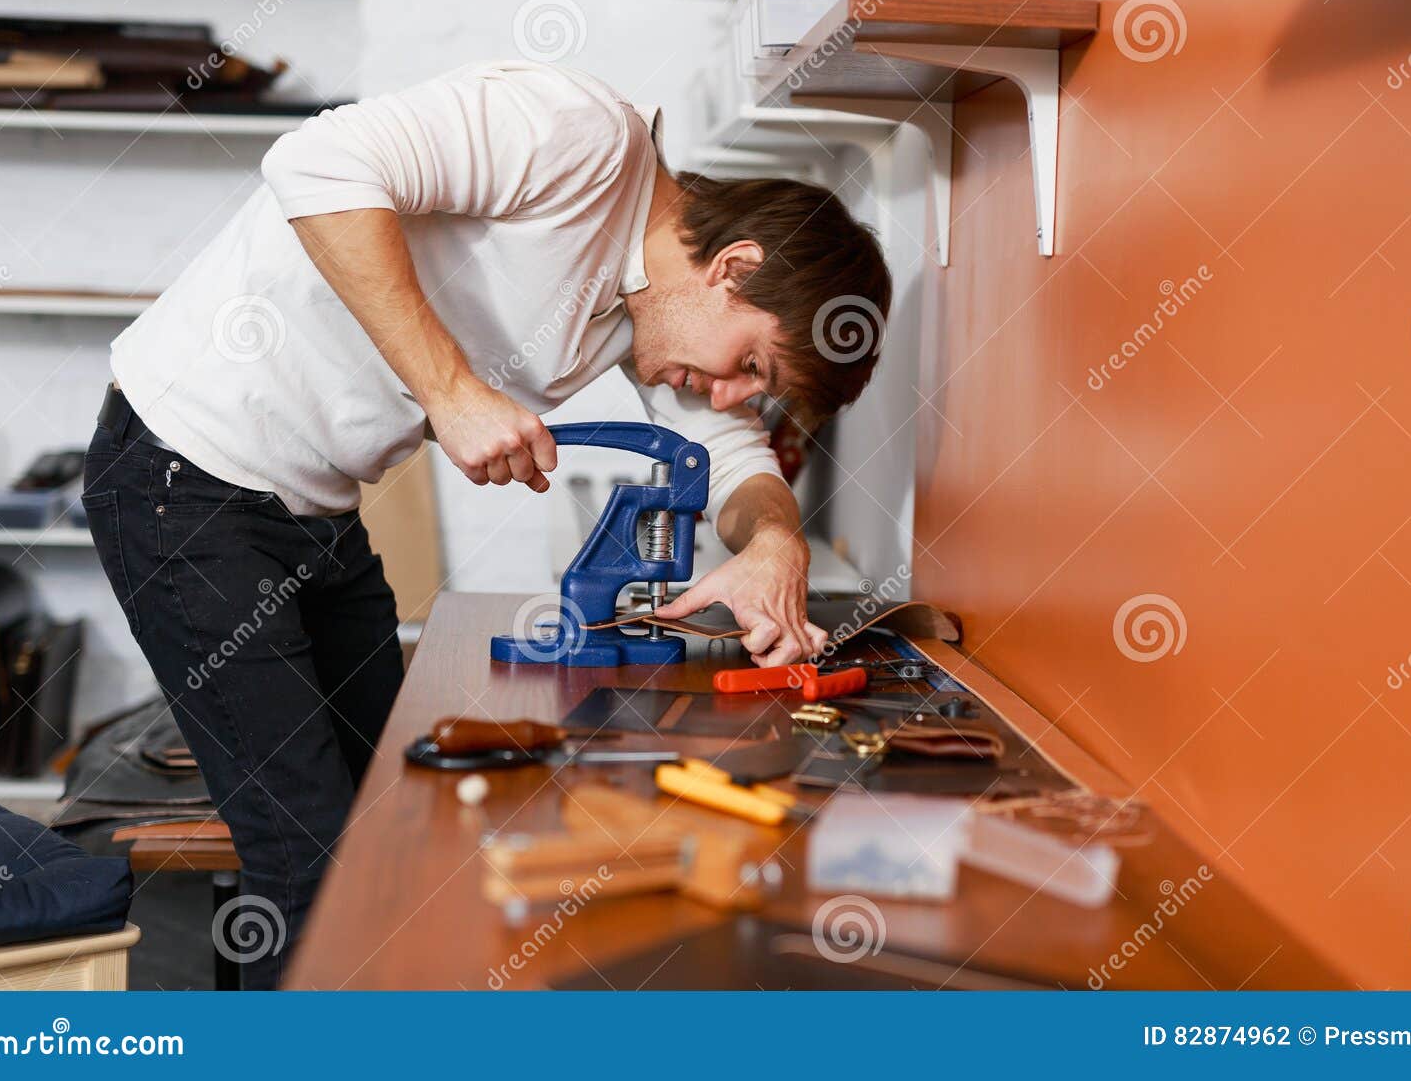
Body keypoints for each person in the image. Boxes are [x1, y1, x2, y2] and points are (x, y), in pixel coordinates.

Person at [81, 60, 891, 987]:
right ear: (733, 268)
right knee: (304, 864)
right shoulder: (581, 137)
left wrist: (775, 543)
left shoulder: (648, 314)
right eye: (752, 362)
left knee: (397, 828)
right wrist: (453, 392)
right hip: (183, 473)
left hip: (314, 511)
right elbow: (317, 162)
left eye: (762, 390)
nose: (736, 394)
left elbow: (737, 458)